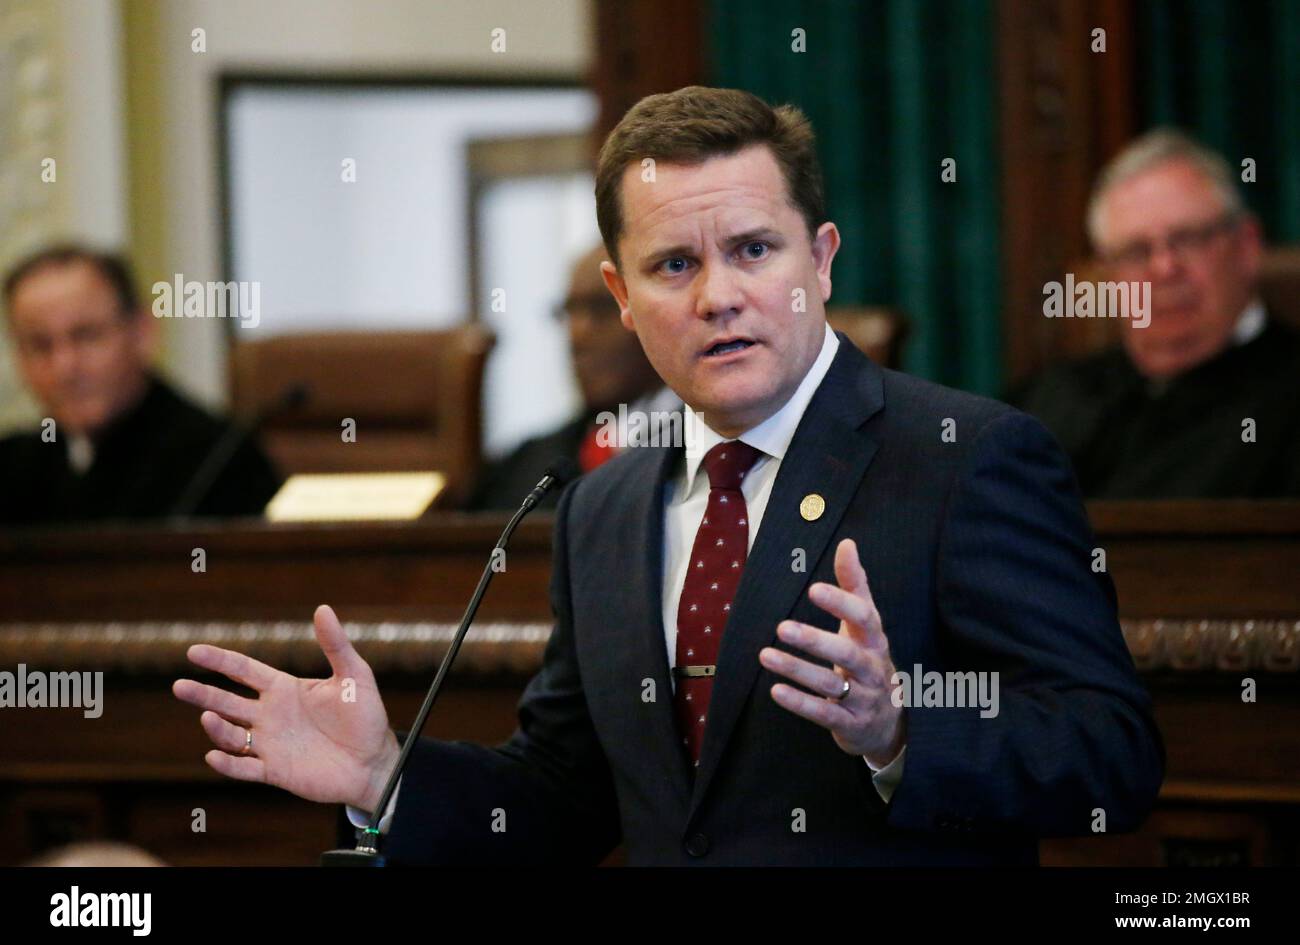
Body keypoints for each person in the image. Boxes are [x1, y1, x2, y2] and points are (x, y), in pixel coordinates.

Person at [174, 87, 1163, 865]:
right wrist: (387, 776)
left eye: (752, 249)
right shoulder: (601, 509)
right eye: (674, 264)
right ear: (620, 294)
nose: (720, 295)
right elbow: (565, 800)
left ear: (819, 260)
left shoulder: (966, 455)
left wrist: (901, 724)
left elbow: (1111, 756)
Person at [1012, 129, 1300, 497]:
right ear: (1108, 276)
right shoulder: (1051, 398)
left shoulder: (1288, 400)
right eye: (1136, 251)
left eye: (1188, 239)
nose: (1164, 269)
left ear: (1246, 246)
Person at [0, 245, 281, 524]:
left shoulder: (218, 461)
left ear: (141, 334)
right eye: (39, 345)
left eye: (87, 336)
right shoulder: (12, 466)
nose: (64, 367)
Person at [469, 244, 676, 510]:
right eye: (569, 312)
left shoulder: (700, 450)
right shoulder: (531, 465)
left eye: (601, 309)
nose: (576, 336)